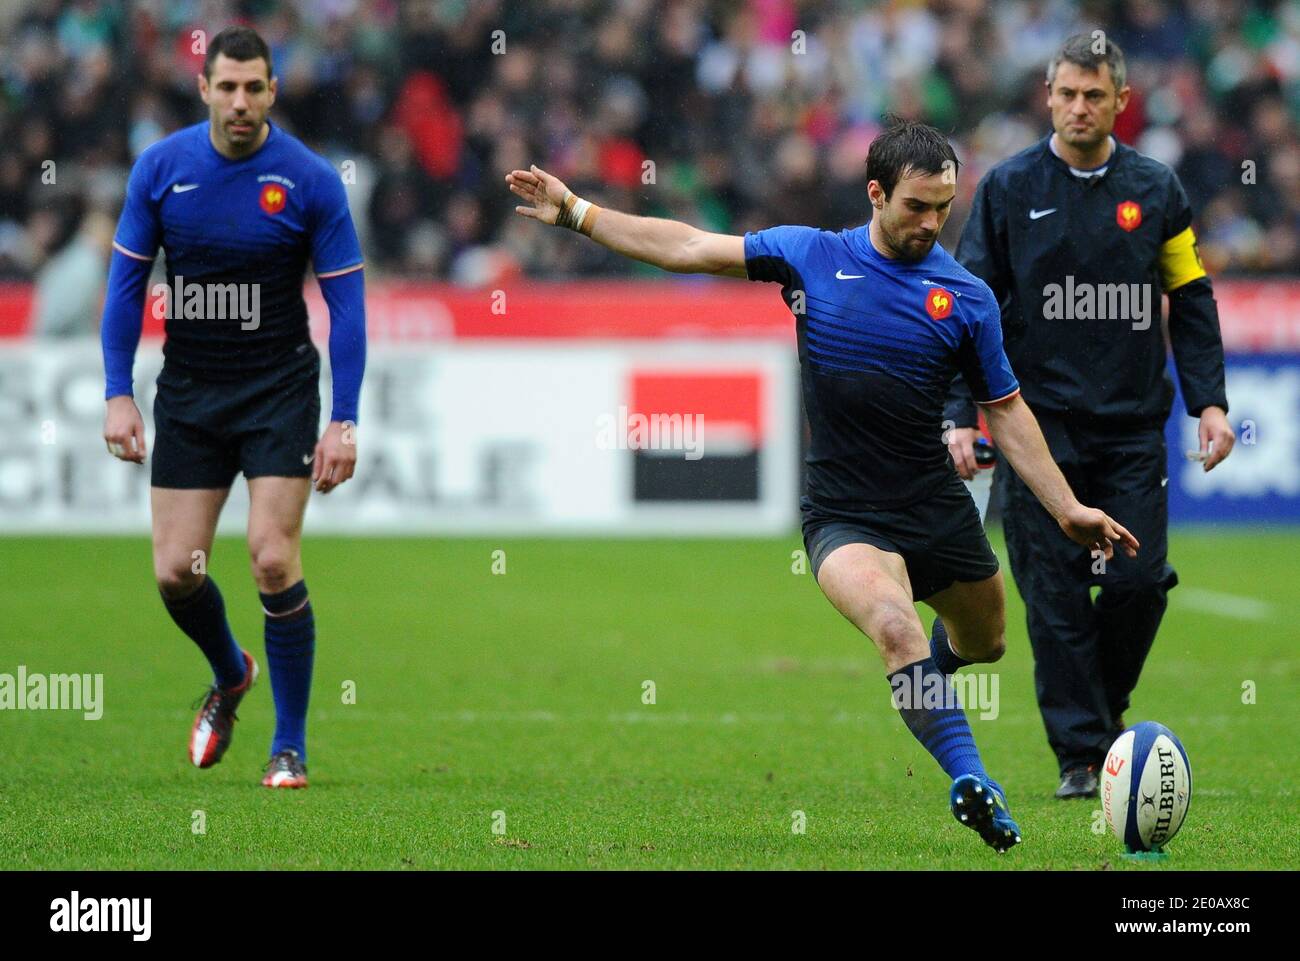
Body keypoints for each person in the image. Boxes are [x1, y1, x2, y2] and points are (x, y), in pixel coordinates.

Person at [505, 118, 1138, 852]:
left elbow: (1007, 409)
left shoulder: (966, 298)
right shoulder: (811, 256)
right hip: (843, 513)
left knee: (988, 640)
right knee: (896, 627)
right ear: (875, 193)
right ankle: (972, 778)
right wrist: (579, 214)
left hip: (934, 507)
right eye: (916, 206)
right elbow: (687, 246)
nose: (932, 223)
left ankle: (927, 684)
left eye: (944, 206)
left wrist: (1066, 507)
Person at [945, 35, 1232, 799]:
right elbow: (965, 308)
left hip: (1132, 429)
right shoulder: (1006, 190)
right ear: (1047, 94)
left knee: (1139, 583)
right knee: (1057, 596)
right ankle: (1082, 757)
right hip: (1034, 432)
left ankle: (1099, 721)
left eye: (1094, 95)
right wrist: (955, 414)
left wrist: (1210, 400)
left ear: (1120, 102)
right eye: (1067, 92)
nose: (1079, 107)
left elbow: (1193, 297)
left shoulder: (1157, 189)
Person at [100, 26, 367, 789]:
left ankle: (289, 746)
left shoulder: (310, 180)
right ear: (205, 89)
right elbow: (124, 289)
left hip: (278, 388)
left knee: (272, 558)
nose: (241, 102)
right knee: (175, 574)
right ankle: (231, 671)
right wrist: (119, 391)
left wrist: (342, 417)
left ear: (273, 90)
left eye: (255, 88)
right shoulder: (162, 168)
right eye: (228, 87)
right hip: (189, 390)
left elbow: (348, 308)